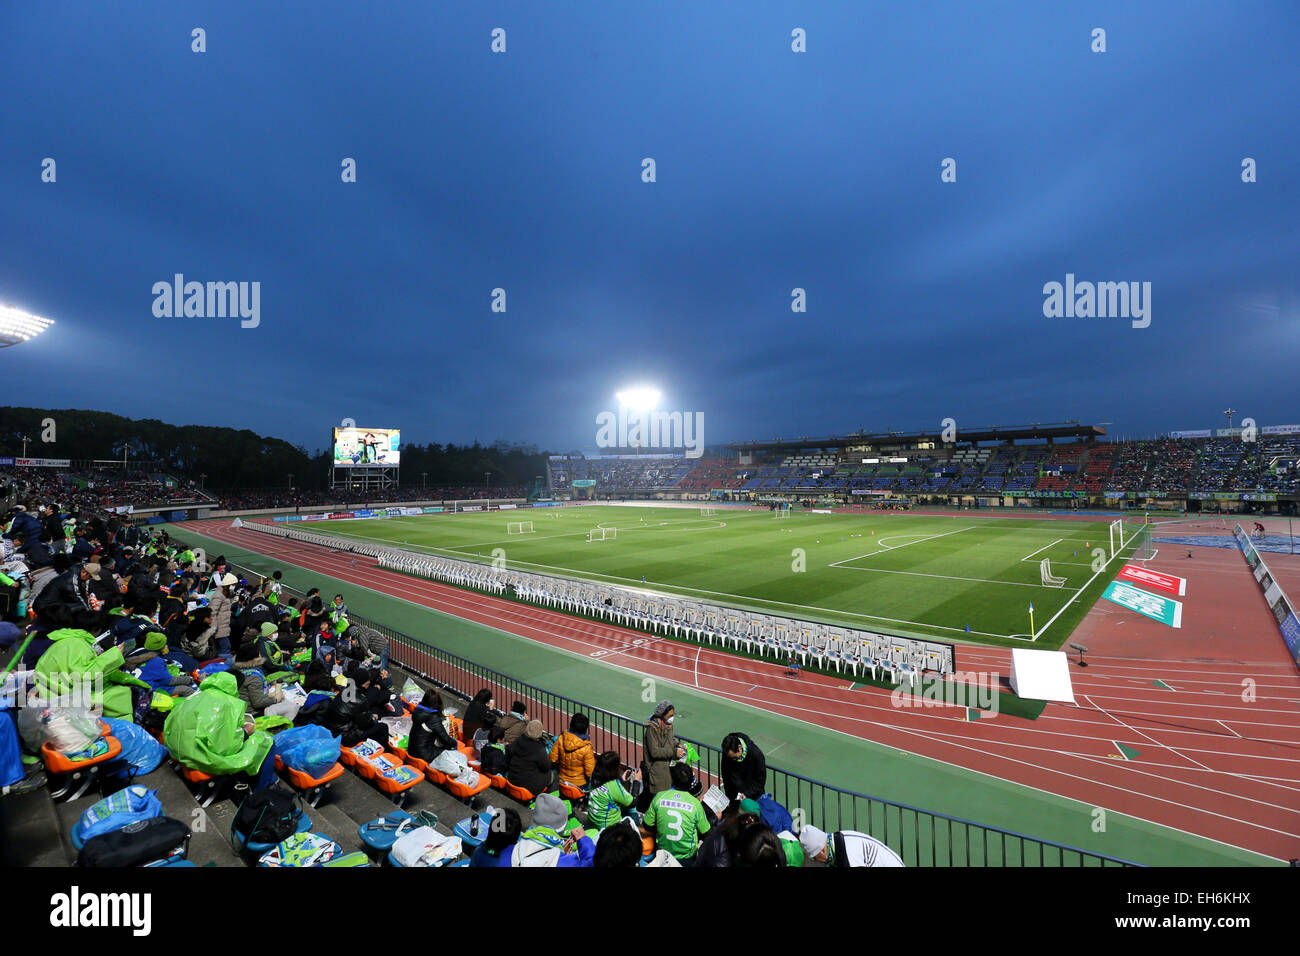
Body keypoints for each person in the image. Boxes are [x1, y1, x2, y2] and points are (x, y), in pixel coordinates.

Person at [163, 671, 277, 790]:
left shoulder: (196, 696)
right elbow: (225, 747)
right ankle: (262, 789)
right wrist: (245, 732)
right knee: (266, 741)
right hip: (199, 757)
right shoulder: (227, 704)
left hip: (177, 749)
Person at [642, 762, 711, 865]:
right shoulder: (695, 804)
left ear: (673, 779)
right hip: (687, 857)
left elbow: (647, 825)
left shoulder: (659, 797)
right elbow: (707, 833)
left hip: (663, 853)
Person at [504, 792, 594, 867]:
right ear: (563, 828)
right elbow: (593, 863)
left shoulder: (507, 850)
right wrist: (583, 840)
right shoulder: (568, 862)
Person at [232, 642, 300, 720]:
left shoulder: (239, 671)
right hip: (253, 714)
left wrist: (269, 695)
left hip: (242, 711)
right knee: (293, 706)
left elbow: (250, 695)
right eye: (259, 654)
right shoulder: (253, 676)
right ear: (255, 658)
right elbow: (258, 703)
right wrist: (276, 699)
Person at [639, 698, 685, 811]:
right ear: (662, 715)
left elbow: (671, 740)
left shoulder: (668, 725)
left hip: (667, 770)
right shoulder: (651, 729)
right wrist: (674, 753)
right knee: (658, 804)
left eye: (673, 715)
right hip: (657, 773)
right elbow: (655, 752)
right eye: (670, 715)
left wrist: (678, 745)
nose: (672, 718)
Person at [798, 825, 906, 867]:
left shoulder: (849, 852)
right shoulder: (836, 842)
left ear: (821, 851)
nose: (816, 860)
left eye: (814, 857)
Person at [585, 751, 641, 831]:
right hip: (608, 827)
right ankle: (637, 832)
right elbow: (632, 803)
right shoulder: (613, 785)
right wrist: (637, 781)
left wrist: (621, 780)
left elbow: (606, 789)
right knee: (632, 809)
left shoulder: (594, 777)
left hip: (593, 820)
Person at [407, 689, 459, 765]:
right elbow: (445, 739)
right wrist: (454, 742)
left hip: (411, 749)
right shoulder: (433, 718)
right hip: (423, 754)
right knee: (452, 750)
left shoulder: (417, 710)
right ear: (437, 703)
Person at [506, 719, 555, 796]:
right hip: (528, 787)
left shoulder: (519, 740)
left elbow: (509, 751)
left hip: (512, 779)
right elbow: (546, 767)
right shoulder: (539, 749)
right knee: (553, 775)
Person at [549, 713, 596, 790]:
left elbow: (552, 758)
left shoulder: (561, 738)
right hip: (579, 785)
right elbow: (590, 772)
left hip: (561, 780)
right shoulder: (587, 747)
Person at [720, 732, 767, 803]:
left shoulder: (756, 755)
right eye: (730, 758)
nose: (733, 760)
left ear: (739, 747)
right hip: (735, 798)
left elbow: (760, 782)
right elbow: (725, 774)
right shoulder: (728, 753)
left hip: (753, 799)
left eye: (735, 757)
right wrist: (730, 795)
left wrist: (746, 794)